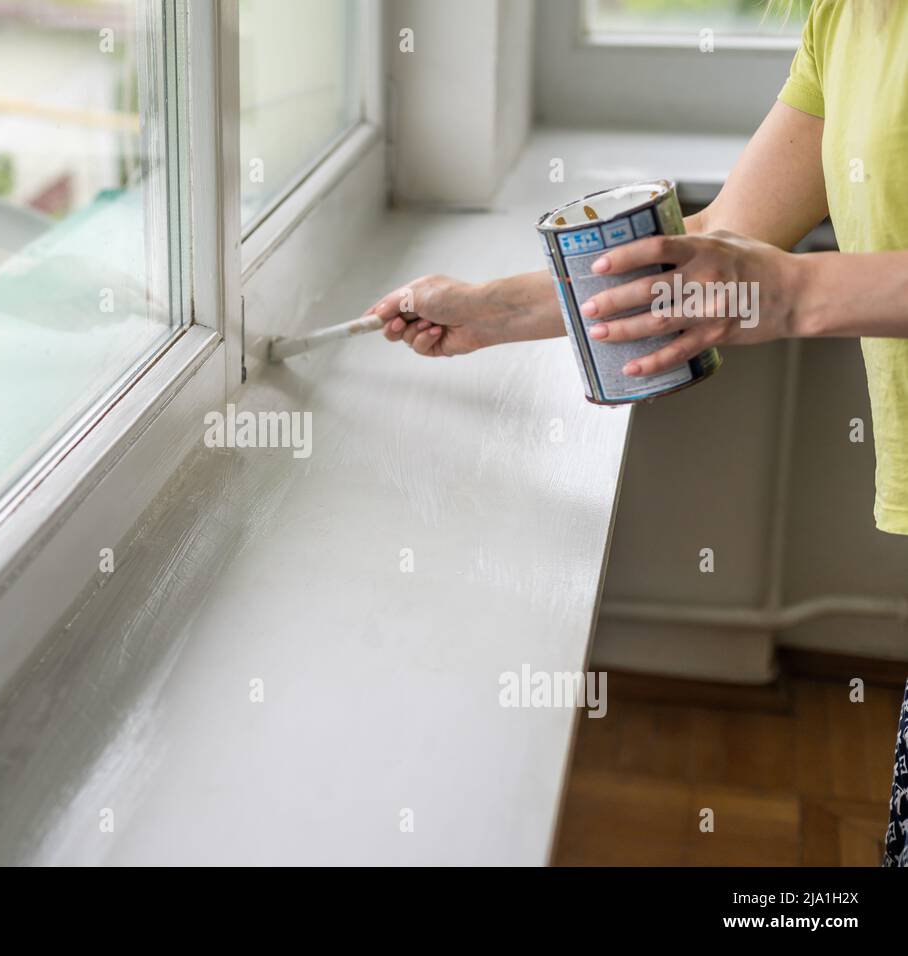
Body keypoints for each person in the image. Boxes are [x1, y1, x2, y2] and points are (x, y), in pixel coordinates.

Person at [365, 0, 908, 865]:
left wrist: (794, 293)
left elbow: (769, 276)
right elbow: (719, 240)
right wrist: (495, 311)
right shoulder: (844, 17)